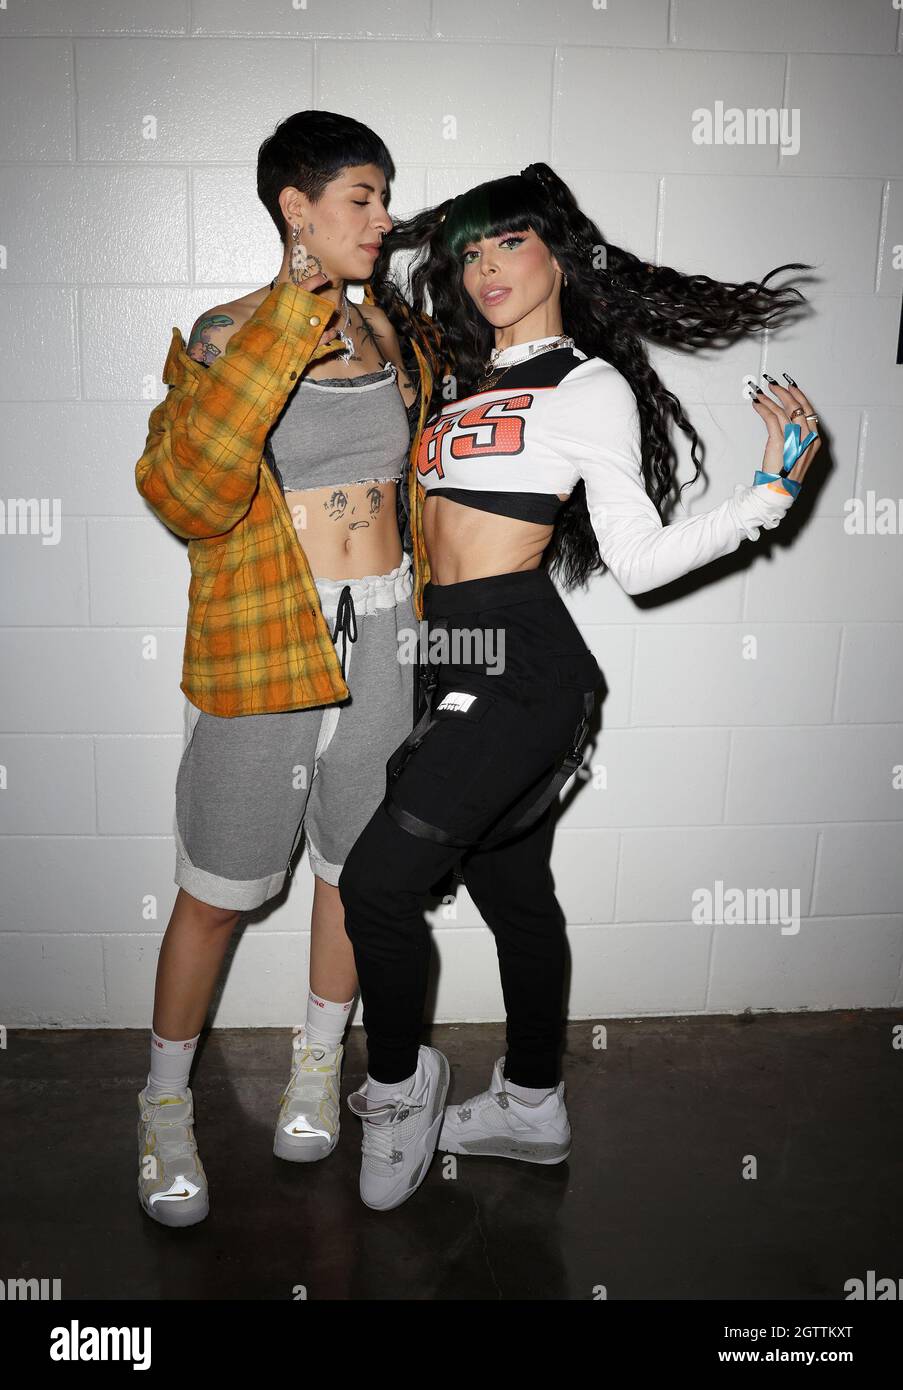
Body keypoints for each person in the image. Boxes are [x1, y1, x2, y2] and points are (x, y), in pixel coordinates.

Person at [337, 161, 822, 1211]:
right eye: (471, 250)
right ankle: (532, 1105)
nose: (486, 266)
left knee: (376, 886)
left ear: (558, 252)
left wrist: (769, 498)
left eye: (510, 241)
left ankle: (395, 1087)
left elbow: (639, 560)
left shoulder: (585, 385)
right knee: (515, 893)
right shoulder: (462, 384)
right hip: (447, 657)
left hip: (524, 669)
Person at [132, 111, 442, 1226]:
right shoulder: (226, 333)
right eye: (362, 195)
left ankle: (320, 1062)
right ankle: (164, 1104)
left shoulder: (398, 337)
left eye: (386, 194)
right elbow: (188, 495)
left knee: (352, 873)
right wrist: (281, 336)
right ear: (294, 208)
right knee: (217, 889)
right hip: (269, 632)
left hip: (387, 624)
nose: (383, 216)